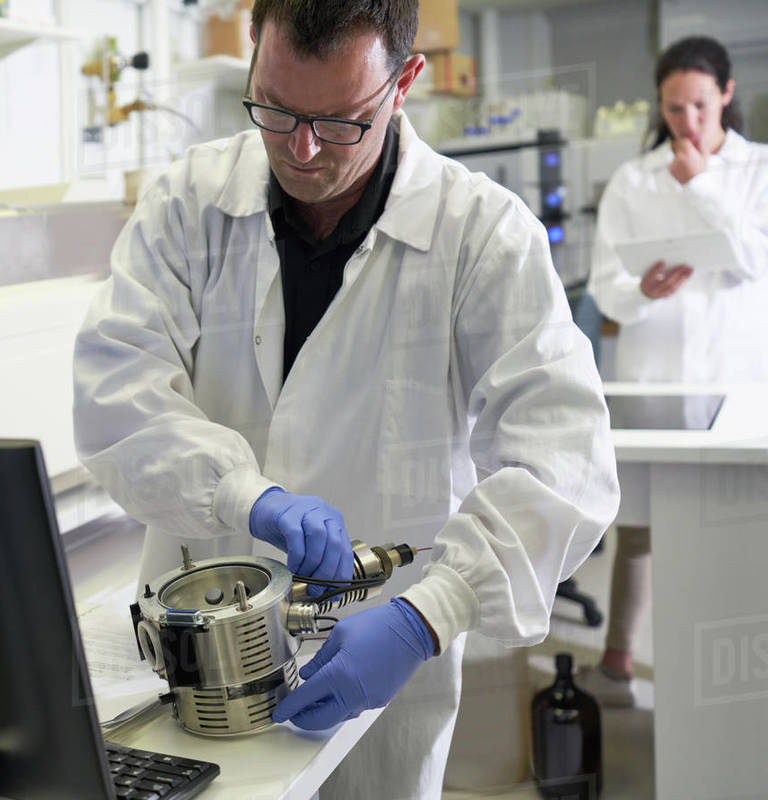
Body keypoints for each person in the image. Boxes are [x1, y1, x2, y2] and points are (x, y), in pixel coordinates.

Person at [74, 1, 620, 796]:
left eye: (338, 122)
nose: (300, 149)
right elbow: (115, 388)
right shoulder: (188, 204)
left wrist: (428, 615)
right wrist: (243, 496)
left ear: (405, 81)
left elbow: (564, 462)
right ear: (255, 52)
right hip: (196, 667)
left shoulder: (483, 235)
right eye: (275, 108)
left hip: (379, 654)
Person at [583, 36, 768, 707]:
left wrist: (702, 185)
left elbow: (755, 262)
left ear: (725, 94)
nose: (686, 121)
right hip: (655, 378)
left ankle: (735, 667)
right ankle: (618, 663)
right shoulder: (633, 180)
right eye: (672, 108)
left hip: (736, 381)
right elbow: (605, 288)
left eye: (698, 106)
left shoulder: (757, 170)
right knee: (640, 525)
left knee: (738, 524)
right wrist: (642, 289)